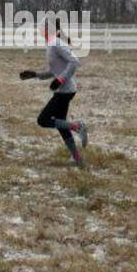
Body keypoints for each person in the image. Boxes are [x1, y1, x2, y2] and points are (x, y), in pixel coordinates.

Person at [18, 18, 88, 165]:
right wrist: (35, 74)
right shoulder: (51, 44)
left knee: (43, 120)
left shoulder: (56, 44)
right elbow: (53, 71)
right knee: (60, 124)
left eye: (41, 28)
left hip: (66, 90)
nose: (39, 32)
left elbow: (74, 61)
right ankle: (77, 158)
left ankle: (77, 126)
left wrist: (60, 80)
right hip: (65, 90)